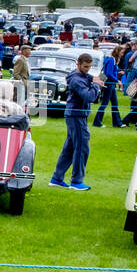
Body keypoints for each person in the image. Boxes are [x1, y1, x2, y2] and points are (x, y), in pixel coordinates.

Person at [49, 53, 104, 191]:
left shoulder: (81, 76)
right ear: (78, 64)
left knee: (70, 148)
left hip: (76, 115)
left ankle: (56, 178)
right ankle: (76, 181)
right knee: (82, 148)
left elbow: (88, 77)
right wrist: (97, 86)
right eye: (85, 66)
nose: (87, 69)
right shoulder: (76, 80)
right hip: (76, 116)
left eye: (90, 67)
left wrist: (97, 78)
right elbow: (89, 97)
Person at [92, 45, 123, 127]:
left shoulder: (112, 59)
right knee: (104, 103)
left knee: (115, 104)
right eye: (122, 52)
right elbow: (108, 73)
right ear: (118, 52)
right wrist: (117, 80)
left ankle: (117, 123)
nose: (122, 54)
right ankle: (97, 122)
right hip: (109, 84)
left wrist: (117, 73)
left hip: (111, 84)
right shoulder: (111, 59)